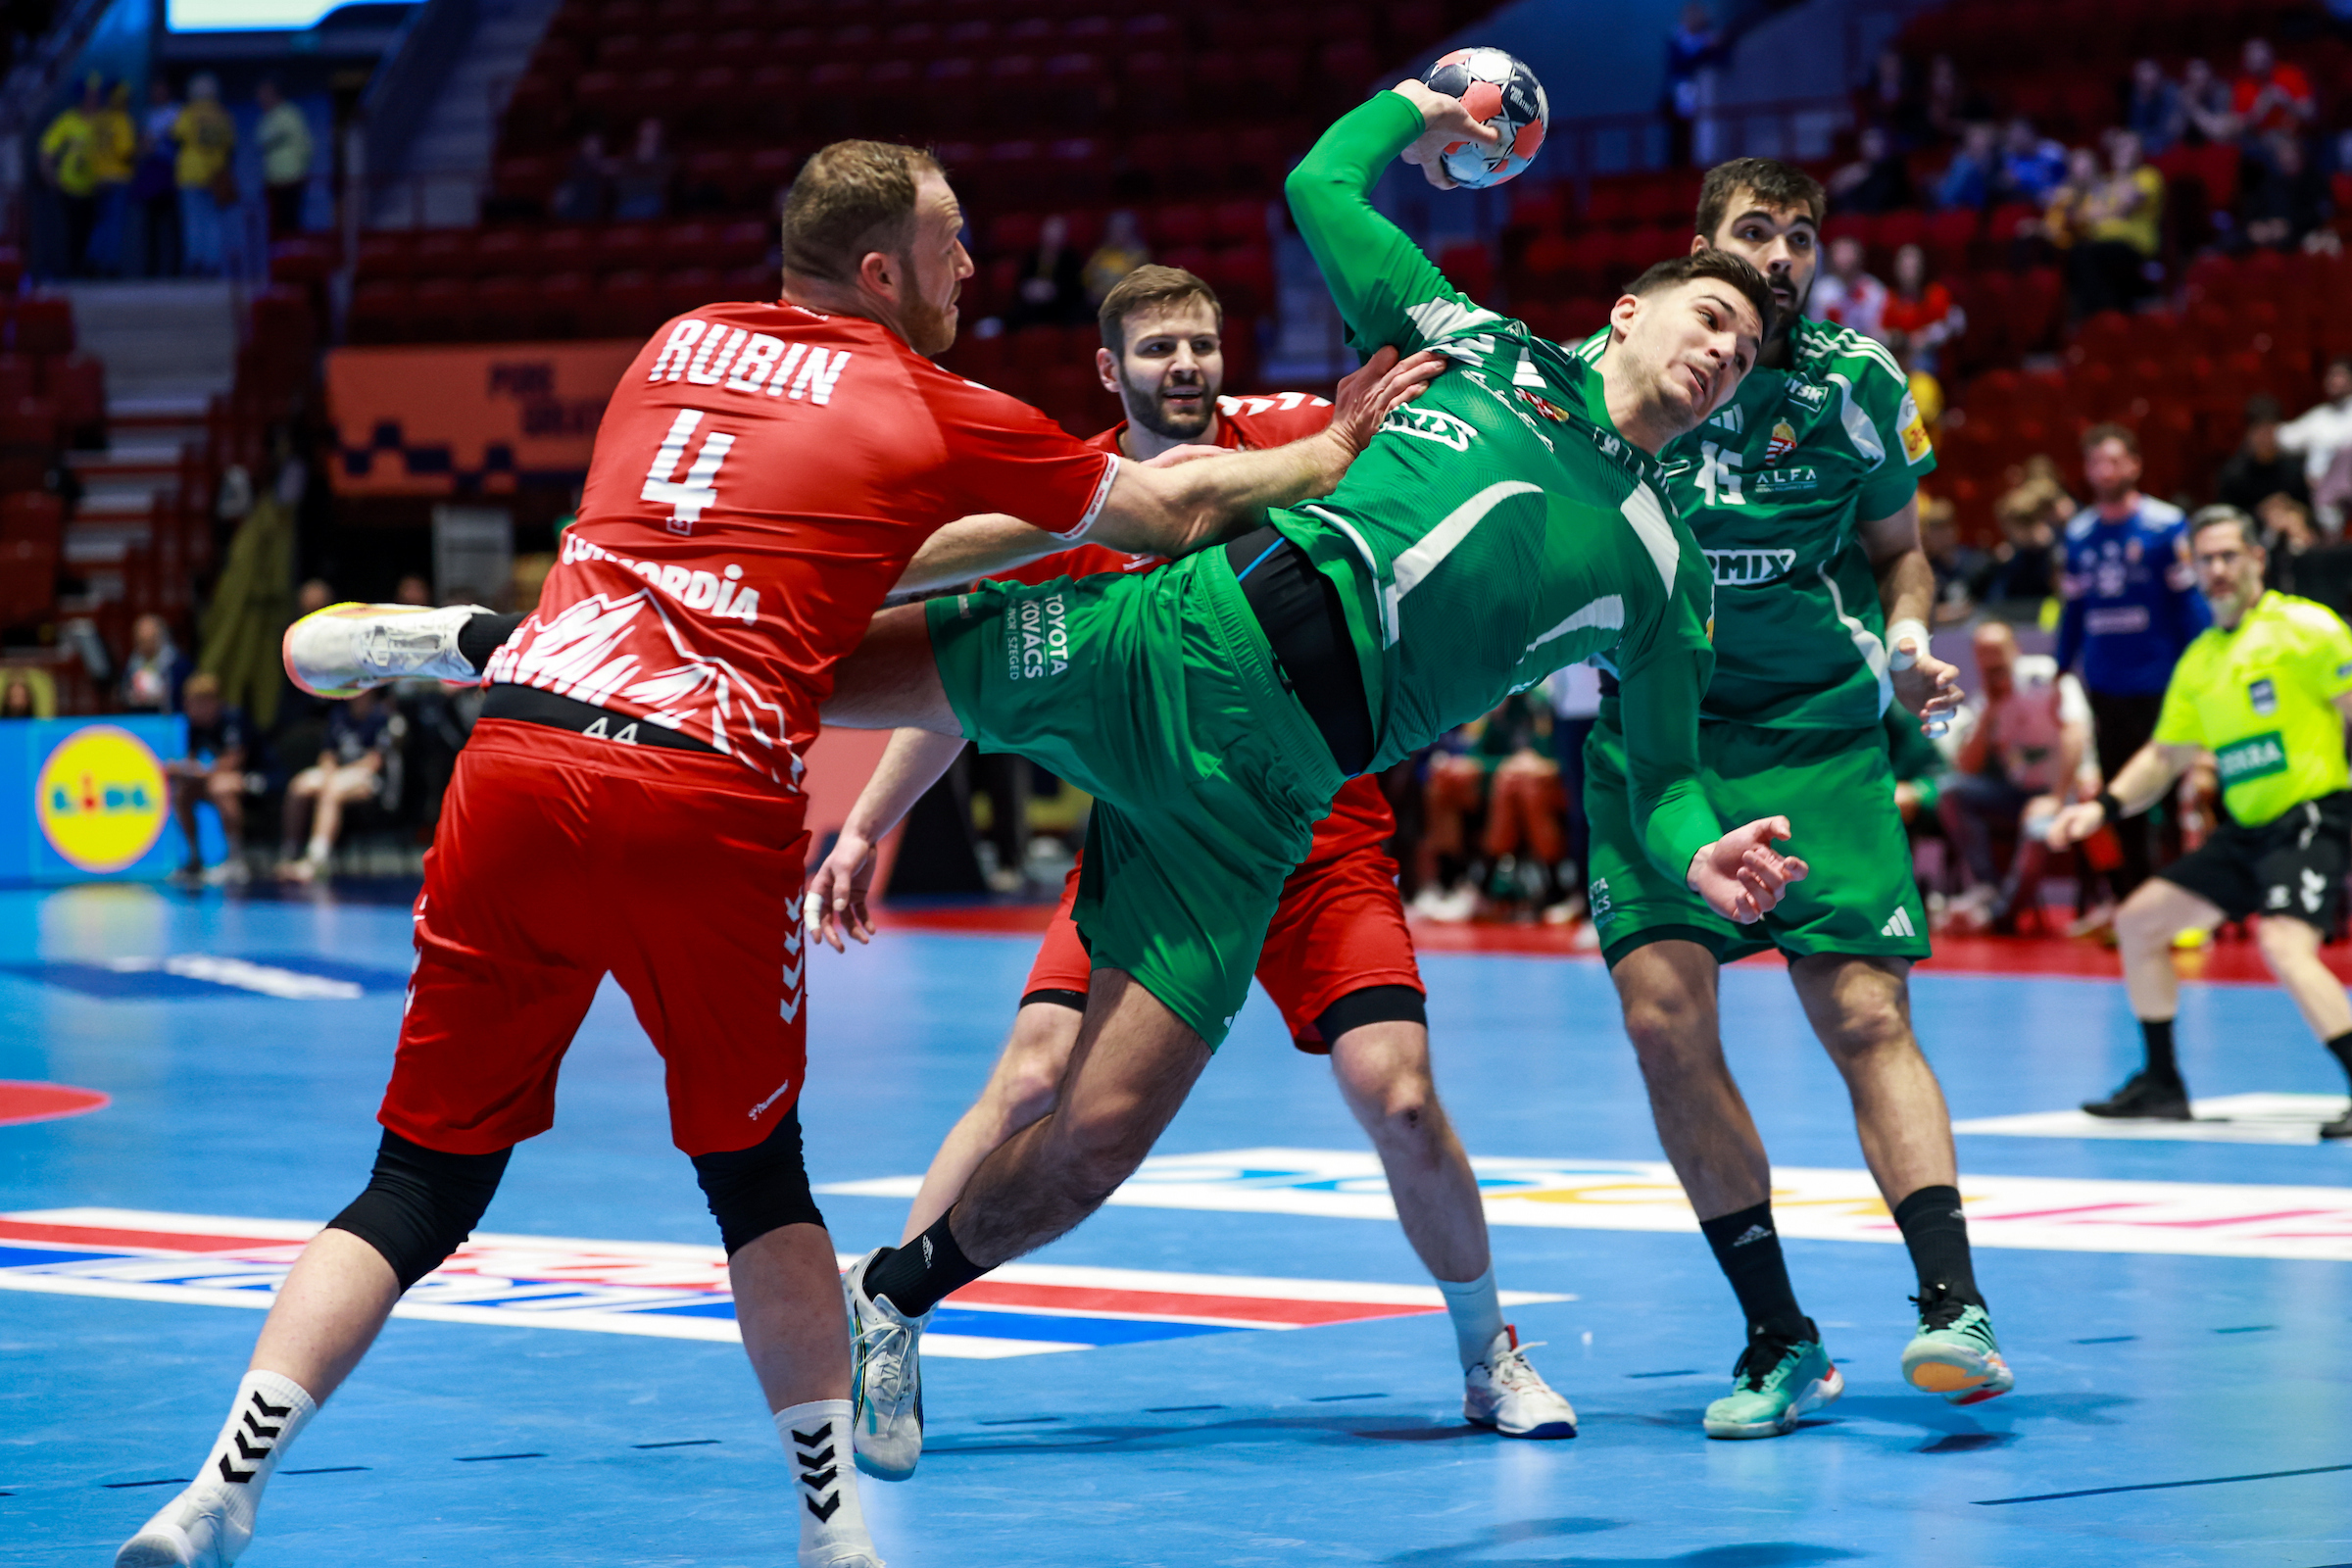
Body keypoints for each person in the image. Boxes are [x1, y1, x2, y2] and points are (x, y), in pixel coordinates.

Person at [131, 136, 1438, 1568]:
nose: (972, 269)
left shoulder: (677, 339)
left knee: (419, 1185)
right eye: (950, 245)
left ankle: (217, 1492)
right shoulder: (928, 398)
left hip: (515, 754)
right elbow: (1175, 505)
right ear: (881, 269)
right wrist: (1335, 449)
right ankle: (836, 1540)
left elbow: (790, 544)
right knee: (757, 1186)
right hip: (698, 786)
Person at [813, 84, 1802, 1482]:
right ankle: (540, 636)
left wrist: (1700, 853)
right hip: (1178, 639)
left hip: (1272, 804)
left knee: (1097, 1139)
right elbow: (1321, 186)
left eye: (1749, 350)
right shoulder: (1474, 342)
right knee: (839, 668)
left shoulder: (1664, 566)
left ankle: (892, 1297)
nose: (1725, 356)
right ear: (1630, 312)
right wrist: (1423, 101)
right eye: (1710, 320)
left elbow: (1671, 776)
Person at [813, 261, 1580, 1442]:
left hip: (1327, 845)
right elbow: (973, 685)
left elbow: (1429, 424)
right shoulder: (1077, 496)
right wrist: (866, 822)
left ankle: (1490, 1357)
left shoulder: (1295, 434)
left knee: (1403, 1096)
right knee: (1029, 1077)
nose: (1186, 366)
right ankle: (894, 1317)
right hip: (1158, 831)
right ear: (1111, 369)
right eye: (1160, 348)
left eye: (1202, 345)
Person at [1569, 155, 2002, 1442]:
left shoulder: (1860, 386)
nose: (1782, 254)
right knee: (1662, 1022)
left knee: (1866, 1015)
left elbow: (1901, 556)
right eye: (1756, 230)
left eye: (1802, 237)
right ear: (1698, 248)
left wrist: (1913, 643)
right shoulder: (1625, 379)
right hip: (1657, 743)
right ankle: (1779, 1340)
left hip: (1816, 736)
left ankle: (1954, 1311)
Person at [2050, 507, 2352, 1139]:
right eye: (2205, 560)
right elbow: (2165, 758)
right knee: (2138, 922)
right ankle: (2162, 1083)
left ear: (2256, 559)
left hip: (2311, 813)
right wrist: (2099, 808)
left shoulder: (2307, 629)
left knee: (2282, 943)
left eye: (2228, 556)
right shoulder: (2199, 662)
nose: (2217, 570)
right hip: (2244, 830)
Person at [2055, 424, 2209, 903]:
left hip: (2163, 685)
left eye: (2114, 461)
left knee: (2174, 793)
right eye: (2096, 462)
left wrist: (2204, 665)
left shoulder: (2166, 526)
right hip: (2106, 686)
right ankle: (2135, 899)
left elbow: (2189, 607)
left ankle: (2184, 898)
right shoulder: (2079, 534)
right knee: (2120, 799)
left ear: (2135, 465)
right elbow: (2073, 612)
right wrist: (2062, 672)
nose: (2105, 471)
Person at [1938, 622, 2092, 931]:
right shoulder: (1986, 700)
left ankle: (1998, 916)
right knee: (1952, 792)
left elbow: (2075, 735)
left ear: (2016, 649)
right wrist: (1991, 712)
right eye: (1982, 653)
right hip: (2017, 793)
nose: (1990, 660)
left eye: (1996, 651)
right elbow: (1965, 768)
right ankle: (1987, 887)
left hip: (2066, 791)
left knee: (2038, 831)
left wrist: (2056, 798)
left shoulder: (2048, 677)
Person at [277, 688, 392, 883]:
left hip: (367, 778)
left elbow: (374, 761)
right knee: (299, 785)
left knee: (332, 791)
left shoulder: (381, 717)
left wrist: (339, 775)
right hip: (337, 773)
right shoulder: (339, 714)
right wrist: (329, 770)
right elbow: (328, 753)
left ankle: (316, 860)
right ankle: (290, 852)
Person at [168, 672, 251, 885]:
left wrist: (199, 772)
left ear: (210, 702)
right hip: (219, 778)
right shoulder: (194, 725)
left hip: (256, 776)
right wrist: (180, 770)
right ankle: (195, 859)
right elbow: (192, 761)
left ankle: (235, 860)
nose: (188, 708)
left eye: (194, 704)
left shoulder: (233, 718)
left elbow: (234, 761)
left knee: (220, 788)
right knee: (183, 794)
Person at [2069, 130, 2162, 316]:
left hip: (2134, 246)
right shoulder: (2106, 181)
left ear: (2139, 153)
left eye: (2130, 148)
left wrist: (2104, 210)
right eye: (2120, 148)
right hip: (2100, 244)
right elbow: (2084, 215)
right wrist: (2110, 209)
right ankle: (2098, 318)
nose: (2124, 153)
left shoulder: (2148, 176)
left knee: (2090, 255)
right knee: (2077, 252)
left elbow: (2128, 205)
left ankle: (2104, 316)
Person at [40, 75, 107, 276]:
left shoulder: (103, 122)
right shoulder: (68, 120)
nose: (92, 100)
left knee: (90, 231)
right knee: (70, 230)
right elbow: (47, 149)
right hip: (68, 185)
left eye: (96, 95)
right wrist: (49, 174)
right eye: (89, 95)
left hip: (95, 186)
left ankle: (86, 269)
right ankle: (70, 270)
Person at [172, 74, 235, 278]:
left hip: (191, 173)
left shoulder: (190, 112)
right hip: (215, 174)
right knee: (213, 222)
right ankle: (212, 263)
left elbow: (176, 136)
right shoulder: (222, 114)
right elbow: (230, 146)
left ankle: (195, 263)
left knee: (193, 221)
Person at [2278, 358, 2352, 532]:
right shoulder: (2320, 416)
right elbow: (2284, 438)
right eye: (2331, 375)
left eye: (2339, 375)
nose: (2333, 380)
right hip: (2322, 502)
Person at [2219, 395, 2314, 516]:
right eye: (2259, 431)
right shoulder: (2233, 474)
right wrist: (2261, 511)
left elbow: (2310, 513)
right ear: (2248, 432)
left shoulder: (2294, 469)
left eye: (2269, 430)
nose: (2265, 438)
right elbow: (2225, 517)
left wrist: (2291, 507)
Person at [1879, 243, 1964, 377]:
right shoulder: (1888, 298)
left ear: (1922, 267)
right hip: (1898, 360)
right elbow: (1879, 332)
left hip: (1930, 361)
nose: (1909, 271)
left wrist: (1928, 336)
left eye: (1914, 266)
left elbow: (1957, 323)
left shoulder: (1937, 294)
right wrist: (1896, 338)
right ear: (1896, 268)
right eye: (1905, 266)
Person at [1002, 212, 1088, 329]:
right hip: (1034, 303)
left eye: (1057, 232)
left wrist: (1052, 290)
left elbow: (1075, 287)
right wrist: (1031, 289)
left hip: (1060, 304)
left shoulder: (1070, 258)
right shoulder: (1033, 256)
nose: (1053, 236)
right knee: (1016, 314)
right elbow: (1022, 281)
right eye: (1050, 231)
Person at [133, 77, 181, 277]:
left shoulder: (176, 111)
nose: (157, 95)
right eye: (154, 91)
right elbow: (143, 144)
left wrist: (160, 139)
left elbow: (178, 139)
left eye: (161, 90)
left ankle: (174, 269)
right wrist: (148, 144)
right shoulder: (147, 114)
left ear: (167, 92)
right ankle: (151, 270)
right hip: (152, 172)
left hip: (171, 171)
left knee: (172, 226)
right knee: (150, 226)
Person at [254, 79, 313, 237]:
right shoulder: (266, 117)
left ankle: (293, 259)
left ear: (274, 94)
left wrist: (302, 171)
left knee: (291, 223)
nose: (259, 98)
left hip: (291, 179)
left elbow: (305, 145)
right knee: (275, 226)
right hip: (273, 180)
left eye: (263, 94)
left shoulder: (289, 114)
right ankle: (278, 259)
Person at [2231, 38, 2316, 141]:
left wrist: (2287, 102)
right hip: (2262, 140)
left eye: (2262, 58)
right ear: (2246, 62)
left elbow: (2311, 114)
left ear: (2271, 55)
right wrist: (2260, 111)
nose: (2259, 61)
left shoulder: (2290, 74)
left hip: (2299, 135)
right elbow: (2236, 128)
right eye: (2253, 59)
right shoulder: (2242, 87)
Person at [1808, 233, 1886, 342]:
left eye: (1849, 252)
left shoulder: (1872, 290)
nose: (1845, 258)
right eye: (1840, 252)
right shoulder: (1822, 290)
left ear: (1859, 256)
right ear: (1831, 257)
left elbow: (1876, 330)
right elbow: (1817, 329)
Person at [1827, 124, 1909, 214]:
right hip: (1853, 221)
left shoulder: (1897, 171)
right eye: (1868, 139)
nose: (1873, 144)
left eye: (1878, 139)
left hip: (1883, 219)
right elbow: (1831, 195)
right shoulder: (1850, 171)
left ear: (1888, 142)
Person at [121, 612, 190, 713]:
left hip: (169, 719)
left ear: (160, 638)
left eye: (150, 640)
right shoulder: (132, 664)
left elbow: (185, 696)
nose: (146, 645)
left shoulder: (177, 664)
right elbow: (124, 693)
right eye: (141, 641)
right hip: (139, 719)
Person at [609, 117, 672, 220]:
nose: (650, 132)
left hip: (650, 202)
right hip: (626, 200)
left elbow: (658, 182)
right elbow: (621, 182)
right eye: (647, 127)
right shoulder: (628, 154)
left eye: (654, 128)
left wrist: (636, 173)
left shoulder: (665, 157)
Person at [1082, 208, 1149, 305]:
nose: (1117, 234)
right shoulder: (1101, 253)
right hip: (1099, 301)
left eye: (1121, 230)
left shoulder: (1140, 254)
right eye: (1114, 230)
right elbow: (1087, 278)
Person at [1933, 121, 1999, 211]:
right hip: (1959, 208)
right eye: (1974, 137)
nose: (1977, 141)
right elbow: (1948, 195)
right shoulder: (1962, 162)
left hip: (1986, 207)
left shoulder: (1997, 160)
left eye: (1981, 137)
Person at [551, 131, 612, 223]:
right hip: (572, 219)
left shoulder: (609, 169)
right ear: (582, 146)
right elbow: (558, 203)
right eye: (589, 144)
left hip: (598, 221)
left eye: (596, 144)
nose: (593, 148)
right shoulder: (573, 169)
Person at [2127, 59, 2181, 156]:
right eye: (2140, 73)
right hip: (2145, 146)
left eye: (2148, 72)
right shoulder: (2138, 95)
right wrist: (2143, 101)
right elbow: (2136, 130)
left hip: (2169, 147)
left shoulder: (2172, 93)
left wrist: (2140, 144)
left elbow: (2169, 133)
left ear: (2159, 73)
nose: (2145, 78)